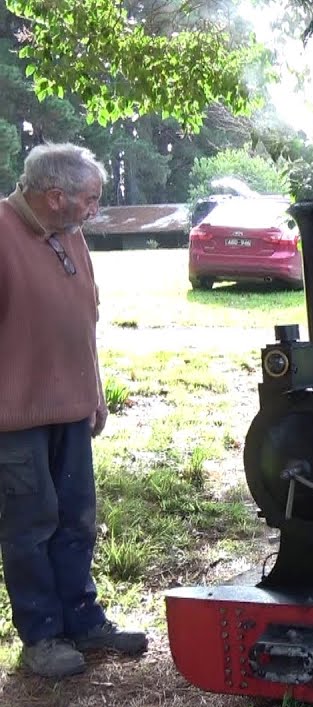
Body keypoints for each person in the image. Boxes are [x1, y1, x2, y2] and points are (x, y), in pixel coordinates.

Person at [0, 143, 147, 678]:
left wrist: (95, 391)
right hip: (13, 421)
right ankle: (42, 637)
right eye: (90, 199)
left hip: (71, 410)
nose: (95, 208)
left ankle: (84, 622)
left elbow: (83, 320)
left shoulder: (71, 235)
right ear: (54, 196)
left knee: (77, 521)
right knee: (30, 527)